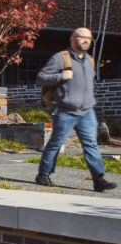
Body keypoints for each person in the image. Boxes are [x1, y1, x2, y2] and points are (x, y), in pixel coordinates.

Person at [35, 28, 116, 193]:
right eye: (82, 37)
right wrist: (61, 76)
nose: (86, 40)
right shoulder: (60, 58)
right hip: (64, 111)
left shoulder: (90, 60)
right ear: (73, 39)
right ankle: (43, 174)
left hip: (86, 112)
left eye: (89, 38)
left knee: (91, 145)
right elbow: (41, 77)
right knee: (56, 143)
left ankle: (98, 179)